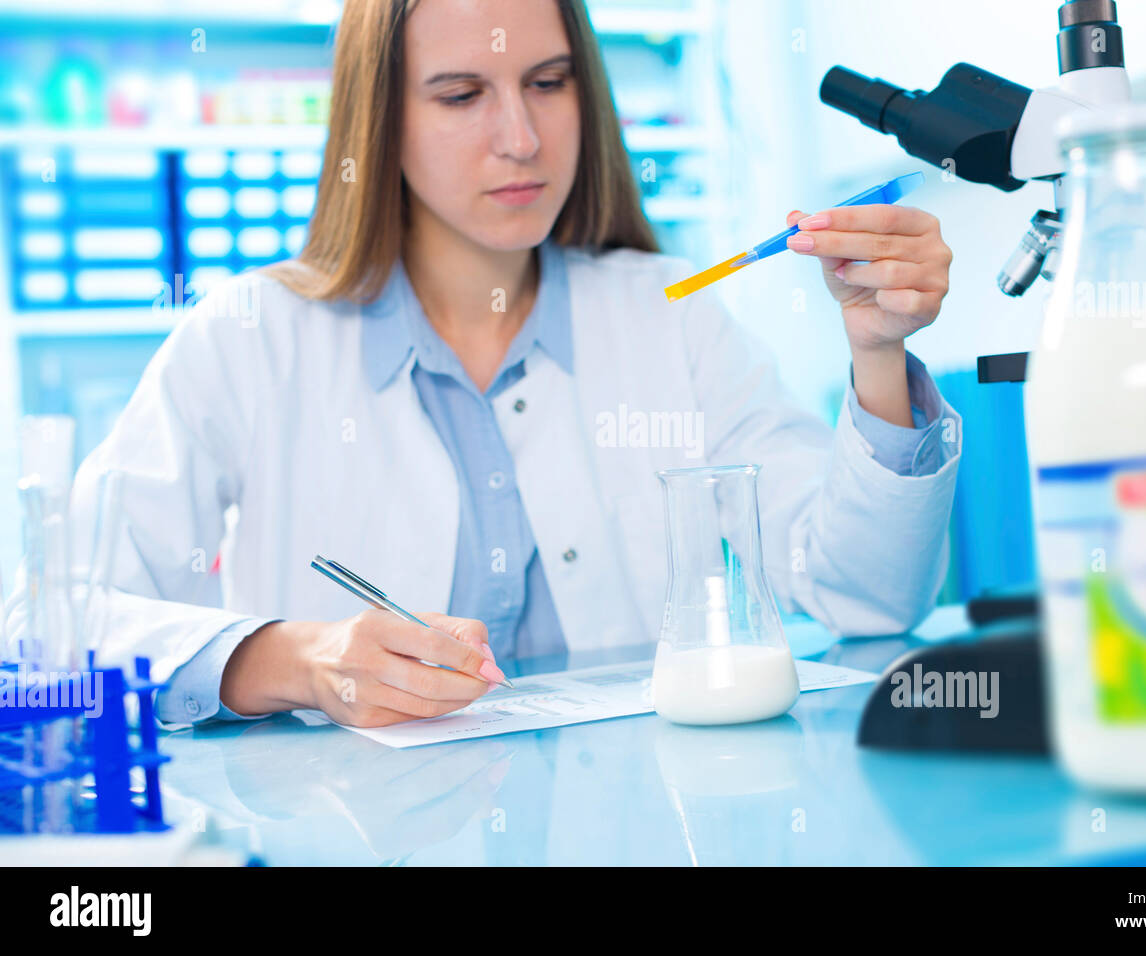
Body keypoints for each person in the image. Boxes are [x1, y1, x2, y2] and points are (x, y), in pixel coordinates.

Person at [7, 0, 961, 728]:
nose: (522, 137)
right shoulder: (252, 335)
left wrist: (878, 355)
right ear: (377, 121)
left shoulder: (669, 318)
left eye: (548, 82)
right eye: (463, 95)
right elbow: (41, 625)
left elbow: (862, 598)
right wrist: (293, 658)